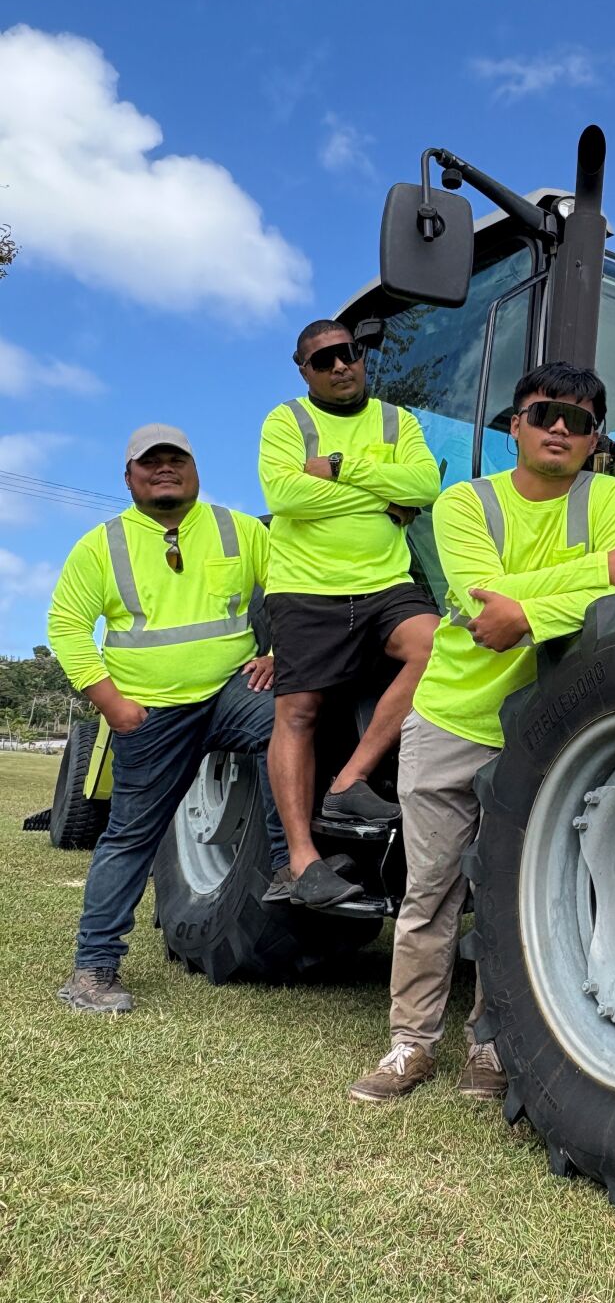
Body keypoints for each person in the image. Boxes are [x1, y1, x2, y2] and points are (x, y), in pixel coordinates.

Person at [348, 362, 615, 1105]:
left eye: (580, 420)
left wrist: (529, 609)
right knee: (431, 891)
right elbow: (479, 606)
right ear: (514, 424)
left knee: (514, 893)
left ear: (594, 440)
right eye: (544, 411)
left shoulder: (610, 495)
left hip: (550, 728)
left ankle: (488, 1046)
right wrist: (590, 575)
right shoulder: (464, 503)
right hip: (452, 716)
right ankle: (408, 1045)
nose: (560, 426)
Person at [48, 425, 284, 1014]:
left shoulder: (241, 529)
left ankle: (287, 869)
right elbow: (67, 627)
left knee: (290, 728)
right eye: (148, 462)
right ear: (128, 477)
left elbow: (289, 588)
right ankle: (93, 968)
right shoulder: (101, 545)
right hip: (150, 710)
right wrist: (113, 704)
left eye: (174, 458)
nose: (163, 468)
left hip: (232, 690)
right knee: (130, 833)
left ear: (195, 468)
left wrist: (279, 653)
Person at [259, 319, 441, 908]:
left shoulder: (397, 420)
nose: (341, 366)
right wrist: (384, 498)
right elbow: (285, 496)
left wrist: (339, 468)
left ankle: (349, 781)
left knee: (435, 645)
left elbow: (425, 486)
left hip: (386, 582)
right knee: (299, 711)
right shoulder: (287, 421)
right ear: (303, 370)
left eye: (350, 353)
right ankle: (301, 858)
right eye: (325, 359)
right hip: (306, 588)